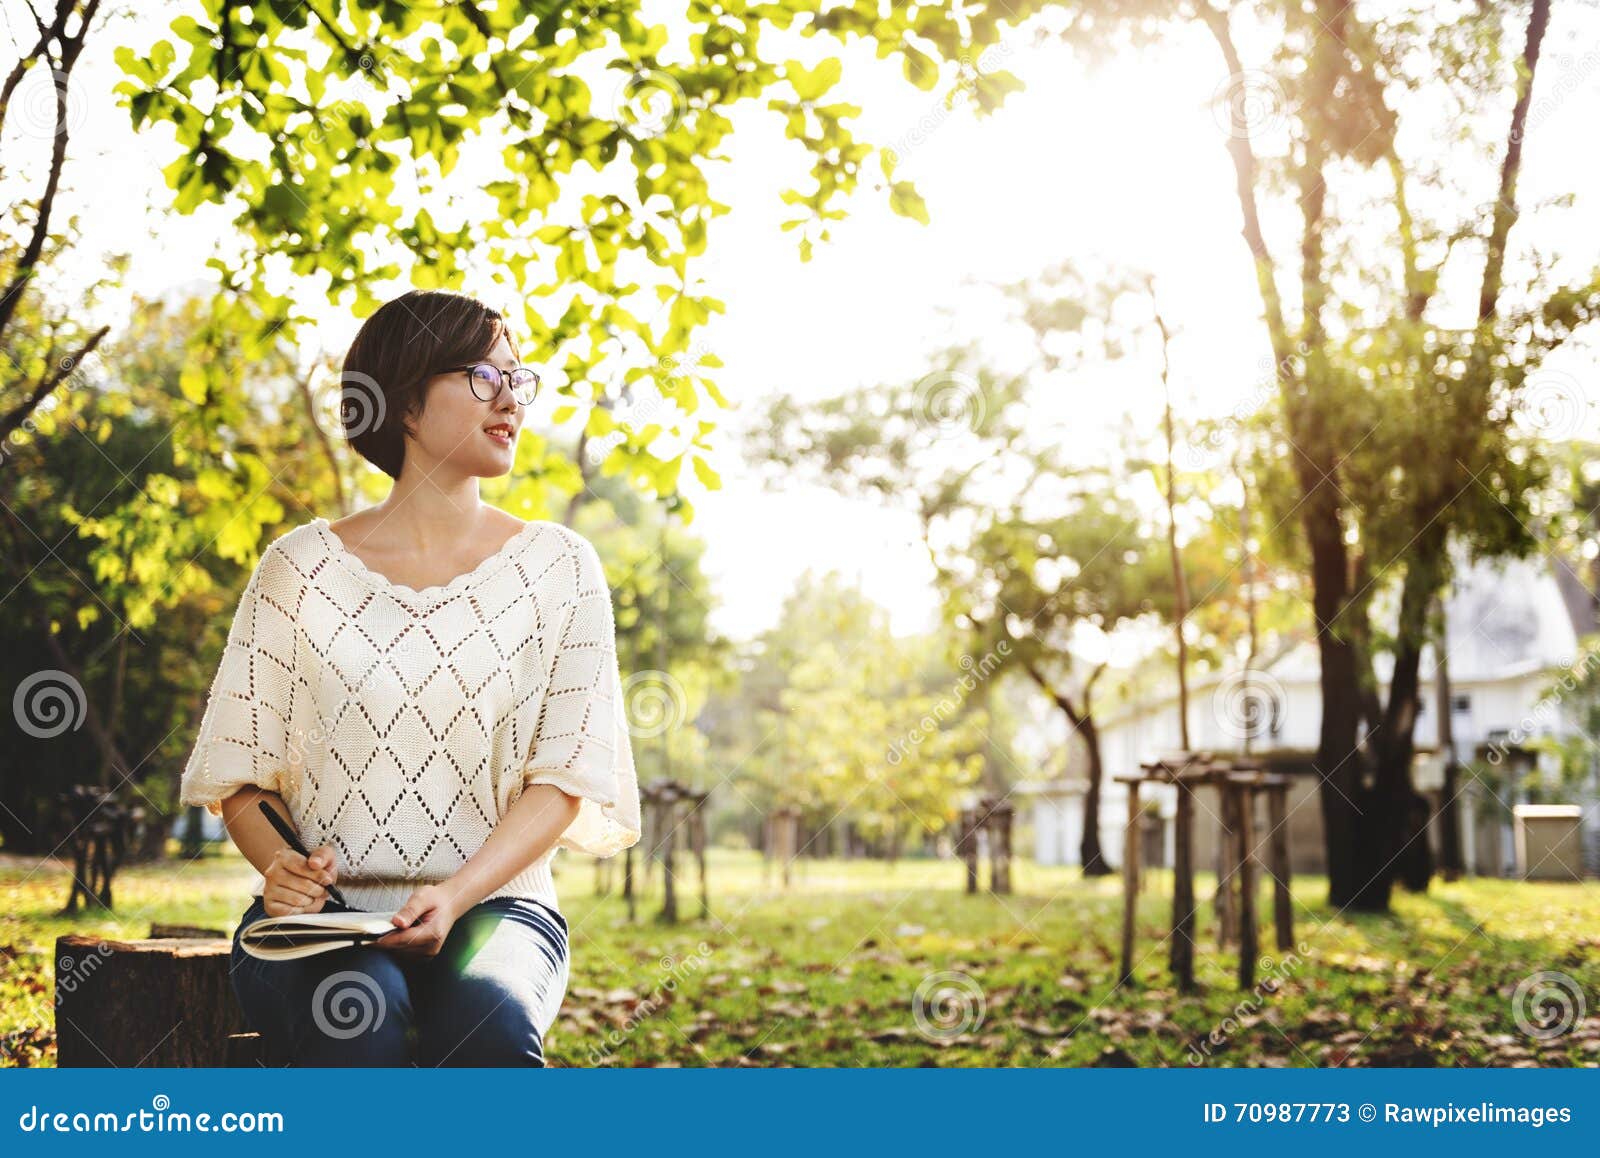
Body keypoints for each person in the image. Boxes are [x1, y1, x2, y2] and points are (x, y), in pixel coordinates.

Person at [179, 289, 642, 1066]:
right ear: (407, 406)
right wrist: (281, 870)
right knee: (359, 1017)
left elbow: (564, 780)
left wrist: (455, 896)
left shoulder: (560, 568)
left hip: (500, 911)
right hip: (324, 922)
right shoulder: (298, 569)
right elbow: (241, 779)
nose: (512, 396)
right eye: (483, 376)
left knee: (486, 1024)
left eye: (517, 377)